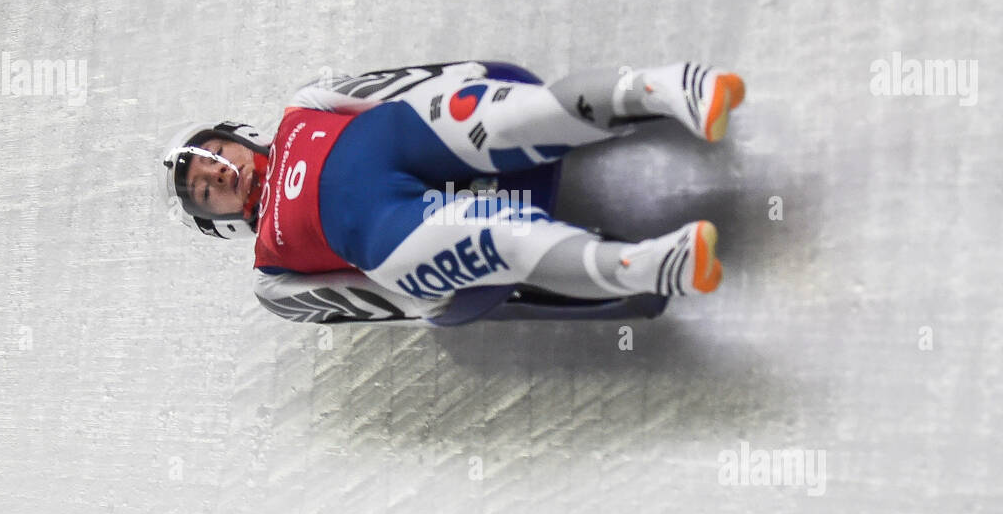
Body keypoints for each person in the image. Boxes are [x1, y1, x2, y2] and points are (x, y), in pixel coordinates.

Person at [160, 60, 745, 324]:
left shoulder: (304, 105)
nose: (216, 175)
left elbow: (392, 89)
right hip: (391, 234)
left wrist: (468, 79)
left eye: (214, 157)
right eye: (204, 191)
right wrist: (432, 302)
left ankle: (667, 88)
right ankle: (646, 267)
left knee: (526, 115)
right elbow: (358, 300)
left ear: (236, 137)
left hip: (405, 136)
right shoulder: (271, 272)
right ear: (220, 218)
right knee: (502, 236)